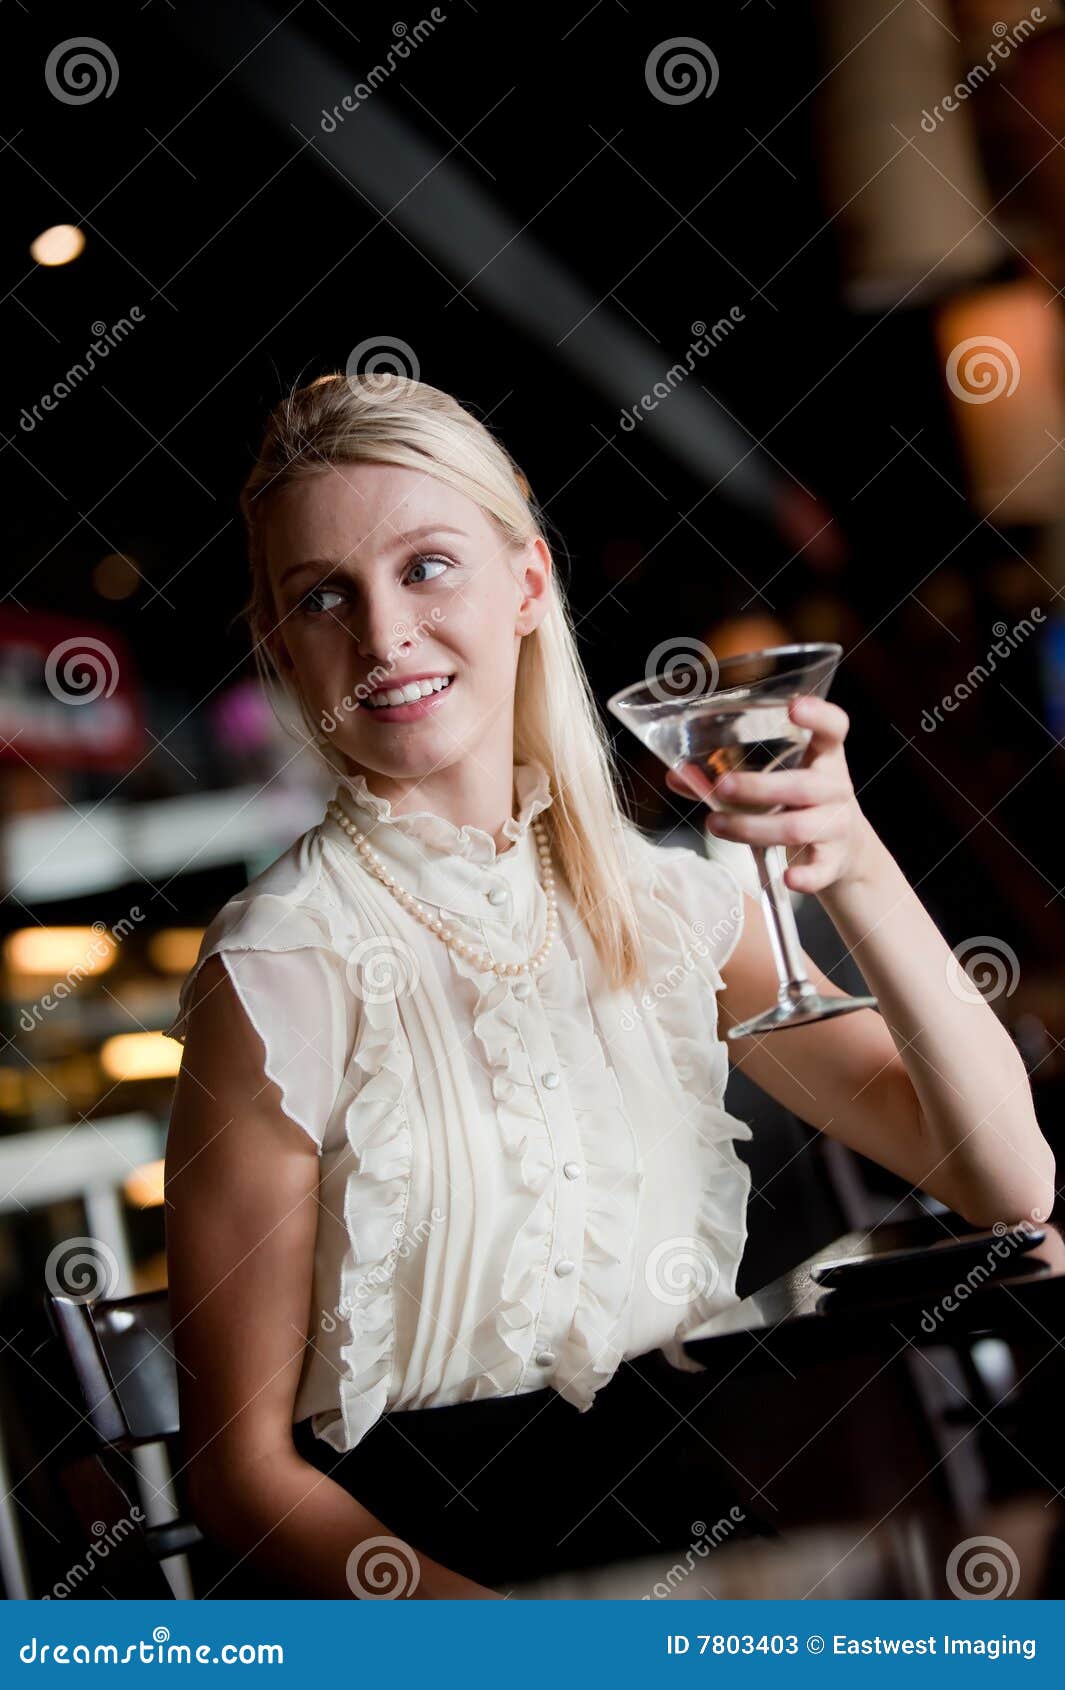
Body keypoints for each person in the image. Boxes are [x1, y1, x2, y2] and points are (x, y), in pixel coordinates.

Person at [164, 372, 1055, 1601]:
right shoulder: (274, 971)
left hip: (724, 1553)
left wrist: (854, 865)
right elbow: (237, 1472)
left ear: (528, 583)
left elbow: (1004, 1173)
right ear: (280, 645)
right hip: (452, 1593)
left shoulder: (670, 902)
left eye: (427, 567)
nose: (382, 635)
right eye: (323, 596)